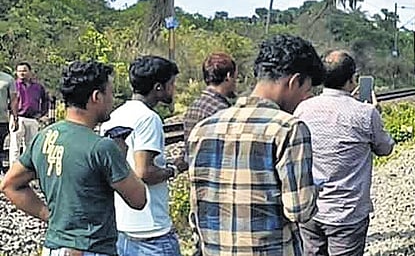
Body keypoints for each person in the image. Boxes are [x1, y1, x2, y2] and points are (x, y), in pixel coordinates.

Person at [189, 34, 323, 256]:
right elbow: (300, 209)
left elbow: (197, 210)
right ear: (294, 81)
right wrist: (314, 188)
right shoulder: (288, 128)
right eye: (306, 91)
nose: (305, 99)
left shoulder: (203, 129)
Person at [1, 60, 148, 256]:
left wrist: (47, 214)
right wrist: (120, 156)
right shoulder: (103, 147)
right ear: (96, 97)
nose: (112, 100)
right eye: (110, 93)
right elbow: (138, 200)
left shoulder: (44, 136)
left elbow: (9, 184)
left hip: (53, 248)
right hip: (92, 249)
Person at [295, 51, 395, 256]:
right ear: (352, 79)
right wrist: (375, 114)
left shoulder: (303, 109)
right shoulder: (365, 113)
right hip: (347, 212)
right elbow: (385, 148)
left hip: (310, 208)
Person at [101, 56, 184, 255]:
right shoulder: (149, 118)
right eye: (171, 84)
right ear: (158, 87)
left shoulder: (113, 117)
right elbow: (144, 172)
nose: (173, 89)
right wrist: (176, 168)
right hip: (151, 232)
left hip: (121, 227)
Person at [181, 53, 238, 149]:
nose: (236, 83)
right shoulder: (222, 110)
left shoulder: (193, 106)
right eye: (236, 77)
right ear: (228, 76)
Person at [10, 62, 55, 169]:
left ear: (30, 72)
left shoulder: (38, 87)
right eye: (19, 71)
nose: (22, 73)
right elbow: (9, 101)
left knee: (30, 147)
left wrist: (42, 114)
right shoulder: (14, 85)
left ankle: (26, 173)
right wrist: (12, 115)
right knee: (15, 147)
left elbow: (45, 100)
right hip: (17, 118)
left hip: (33, 119)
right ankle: (13, 172)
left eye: (24, 71)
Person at [0, 69, 12, 171]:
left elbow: (14, 99)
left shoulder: (7, 79)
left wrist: (14, 117)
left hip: (2, 120)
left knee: (0, 147)